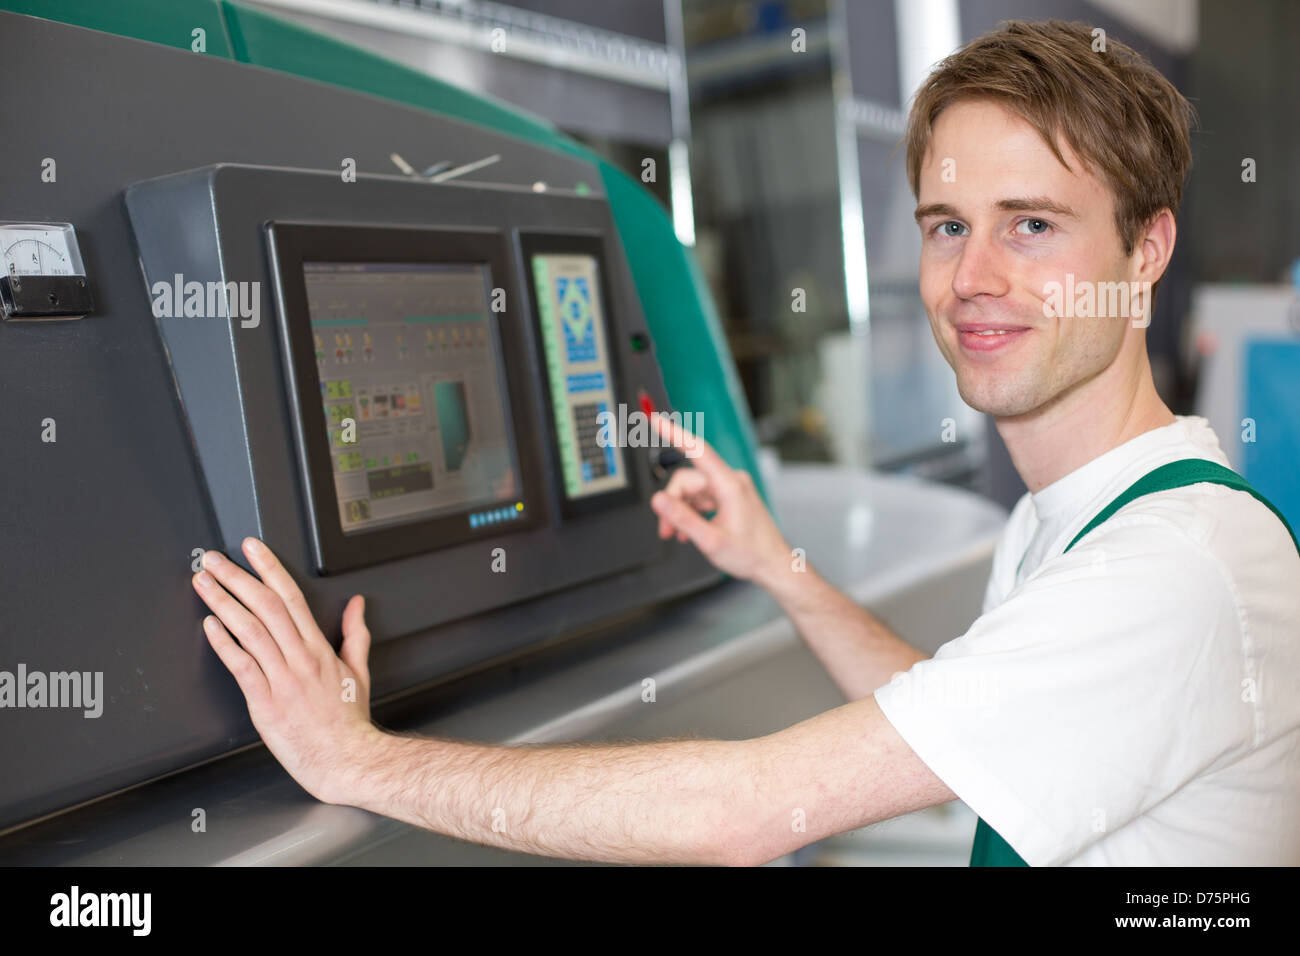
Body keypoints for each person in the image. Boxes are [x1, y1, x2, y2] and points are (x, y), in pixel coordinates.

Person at [190, 20, 1300, 866]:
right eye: (948, 227)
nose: (975, 279)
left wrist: (357, 757)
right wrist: (780, 565)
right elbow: (969, 732)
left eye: (1034, 225)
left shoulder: (1171, 568)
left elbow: (740, 815)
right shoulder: (1076, 515)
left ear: (1145, 252)